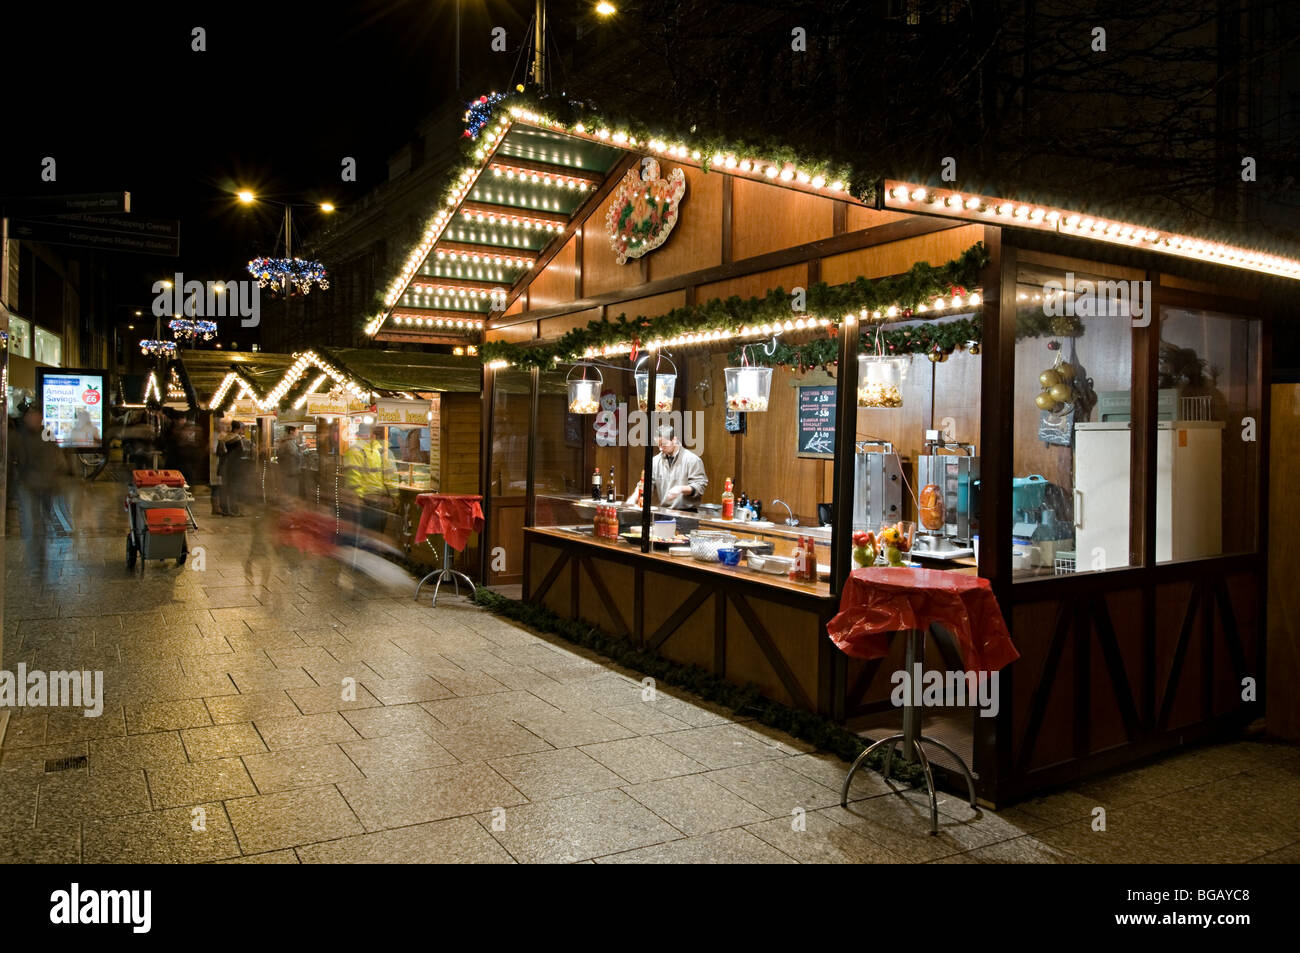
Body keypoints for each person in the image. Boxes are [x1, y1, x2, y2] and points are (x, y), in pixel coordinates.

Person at [628, 424, 708, 510]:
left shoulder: (692, 460)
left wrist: (681, 489)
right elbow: (646, 484)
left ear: (674, 440)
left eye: (663, 444)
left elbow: (700, 486)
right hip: (664, 511)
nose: (660, 449)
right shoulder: (655, 461)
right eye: (658, 445)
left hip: (687, 513)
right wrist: (633, 499)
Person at [342, 422, 395, 539]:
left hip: (374, 500)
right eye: (372, 432)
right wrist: (358, 499)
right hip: (367, 501)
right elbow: (353, 479)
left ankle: (372, 554)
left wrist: (391, 495)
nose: (373, 435)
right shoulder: (359, 451)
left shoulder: (376, 450)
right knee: (369, 535)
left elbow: (385, 475)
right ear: (369, 434)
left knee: (374, 535)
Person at [275, 425, 303, 500]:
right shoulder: (289, 443)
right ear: (291, 431)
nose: (298, 431)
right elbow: (296, 455)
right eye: (297, 429)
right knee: (291, 494)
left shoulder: (285, 441)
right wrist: (303, 452)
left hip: (286, 471)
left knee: (287, 493)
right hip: (291, 472)